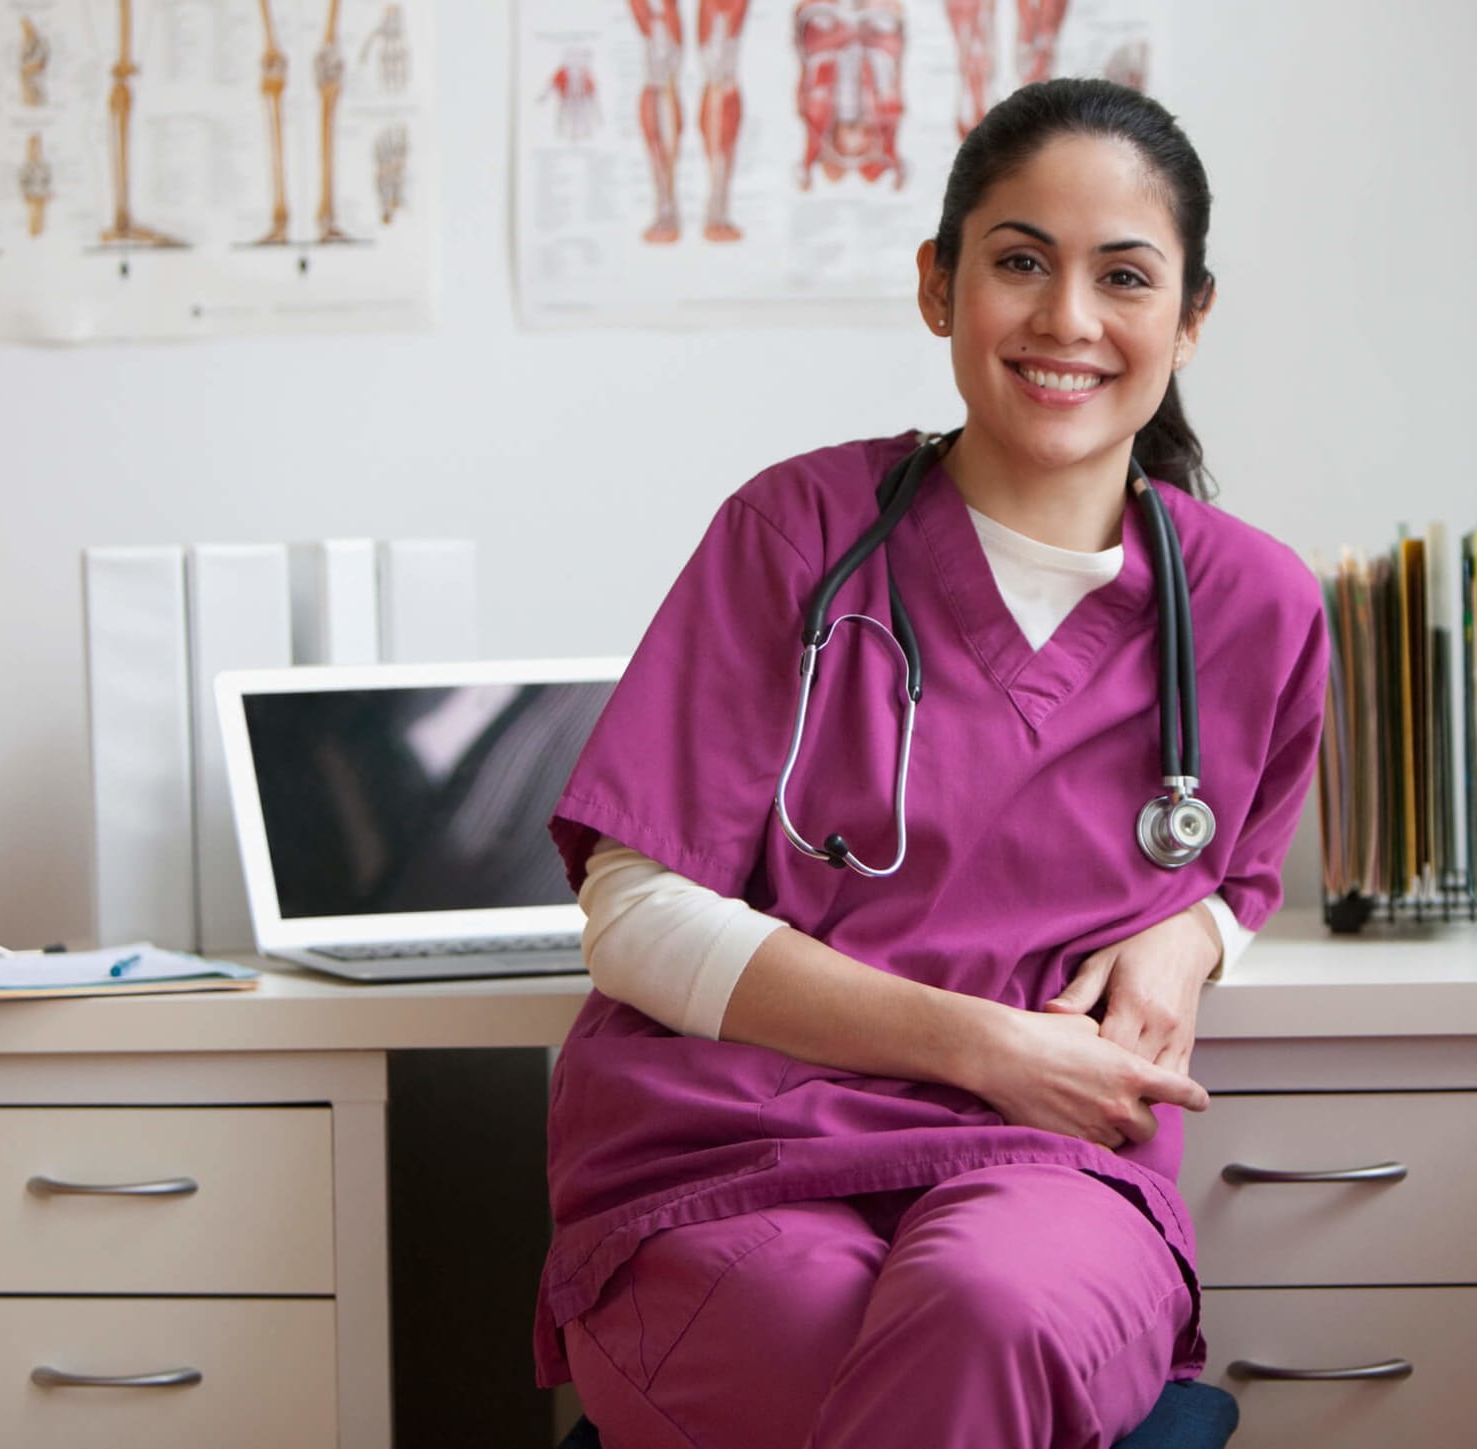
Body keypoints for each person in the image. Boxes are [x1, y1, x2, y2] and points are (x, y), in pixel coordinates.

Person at [536, 78, 1329, 1448]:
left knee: (990, 1313)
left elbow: (1235, 866)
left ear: (1192, 315)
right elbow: (635, 912)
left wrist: (1192, 935)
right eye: (1019, 260)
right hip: (732, 1151)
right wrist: (991, 1045)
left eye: (1123, 275)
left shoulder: (1253, 606)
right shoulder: (795, 533)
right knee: (829, 1339)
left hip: (1053, 1172)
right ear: (937, 284)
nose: (1067, 319)